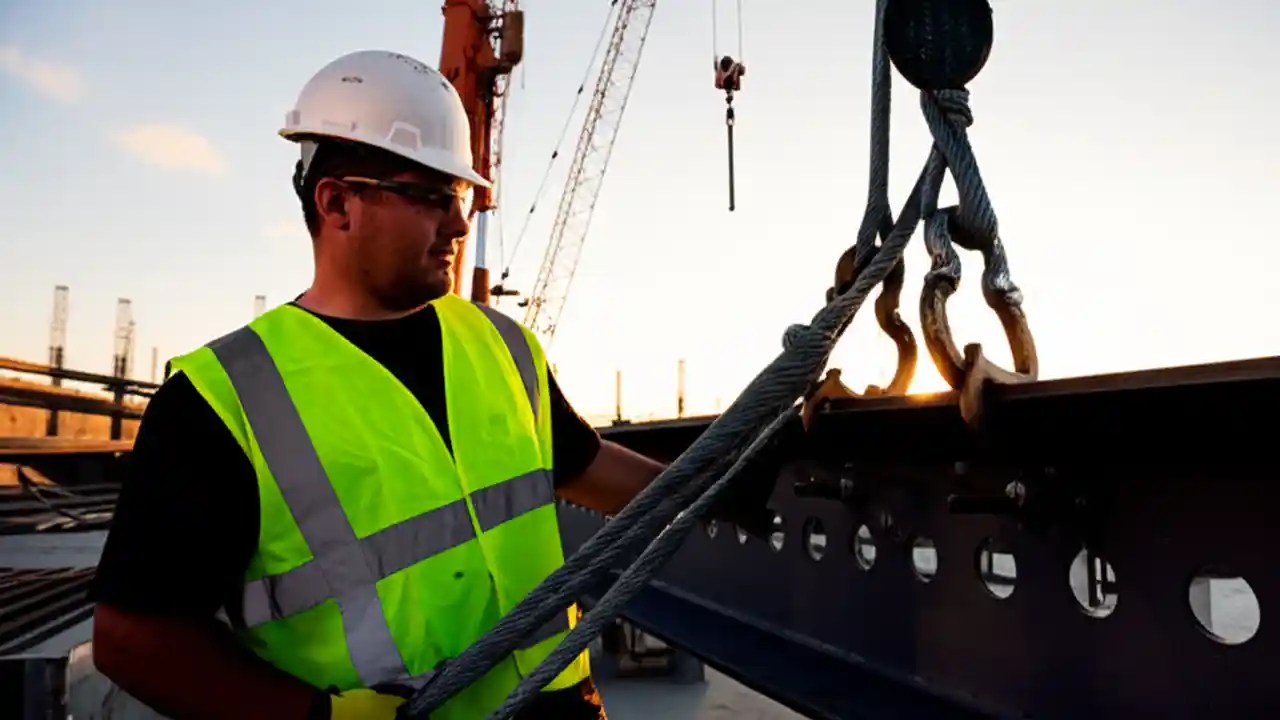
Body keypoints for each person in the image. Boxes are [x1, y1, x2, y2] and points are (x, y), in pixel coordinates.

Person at [89, 49, 667, 720]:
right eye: (430, 197)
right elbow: (133, 641)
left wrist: (741, 477)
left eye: (462, 199)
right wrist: (318, 718)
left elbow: (586, 465)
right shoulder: (223, 400)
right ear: (337, 202)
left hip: (559, 707)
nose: (457, 223)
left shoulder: (500, 343)